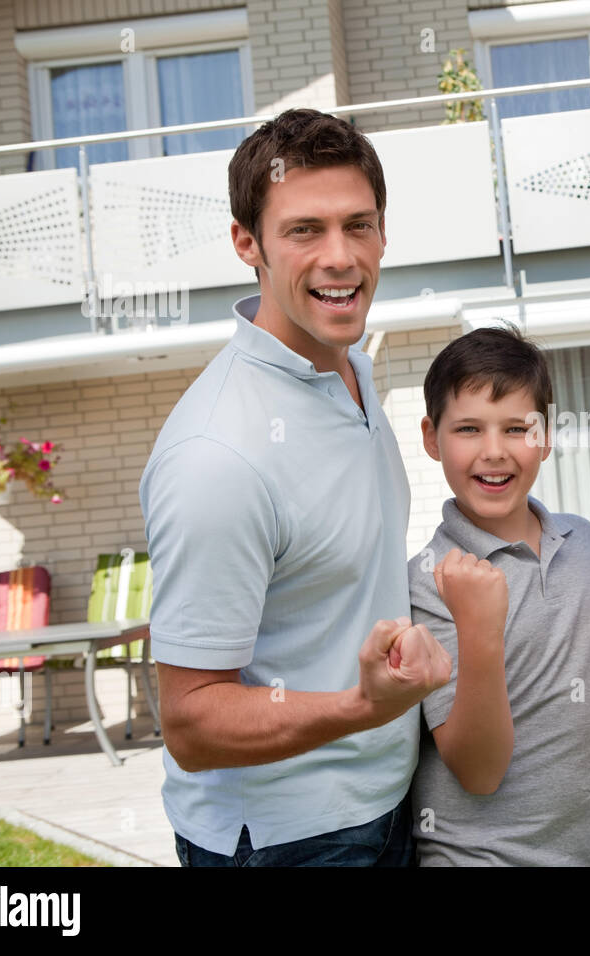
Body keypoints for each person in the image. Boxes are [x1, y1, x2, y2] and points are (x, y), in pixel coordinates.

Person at [140, 108, 451, 867]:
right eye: (304, 230)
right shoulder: (218, 454)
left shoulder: (349, 370)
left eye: (359, 225)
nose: (341, 257)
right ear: (247, 243)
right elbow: (190, 719)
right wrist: (359, 707)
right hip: (288, 844)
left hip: (386, 805)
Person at [407, 325, 590, 866]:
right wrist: (479, 626)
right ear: (432, 438)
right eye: (468, 429)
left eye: (516, 428)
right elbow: (479, 772)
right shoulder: (428, 582)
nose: (494, 452)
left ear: (546, 435)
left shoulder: (583, 543)